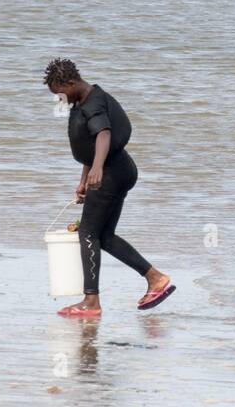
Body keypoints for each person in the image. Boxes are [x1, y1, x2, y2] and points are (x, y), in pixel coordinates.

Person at [44, 58, 175, 317]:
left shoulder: (93, 104)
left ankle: (91, 303)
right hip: (117, 169)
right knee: (104, 236)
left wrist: (97, 169)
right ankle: (156, 279)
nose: (60, 99)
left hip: (112, 173)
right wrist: (85, 177)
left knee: (88, 233)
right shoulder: (85, 98)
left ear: (70, 83)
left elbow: (103, 134)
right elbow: (89, 147)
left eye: (60, 93)